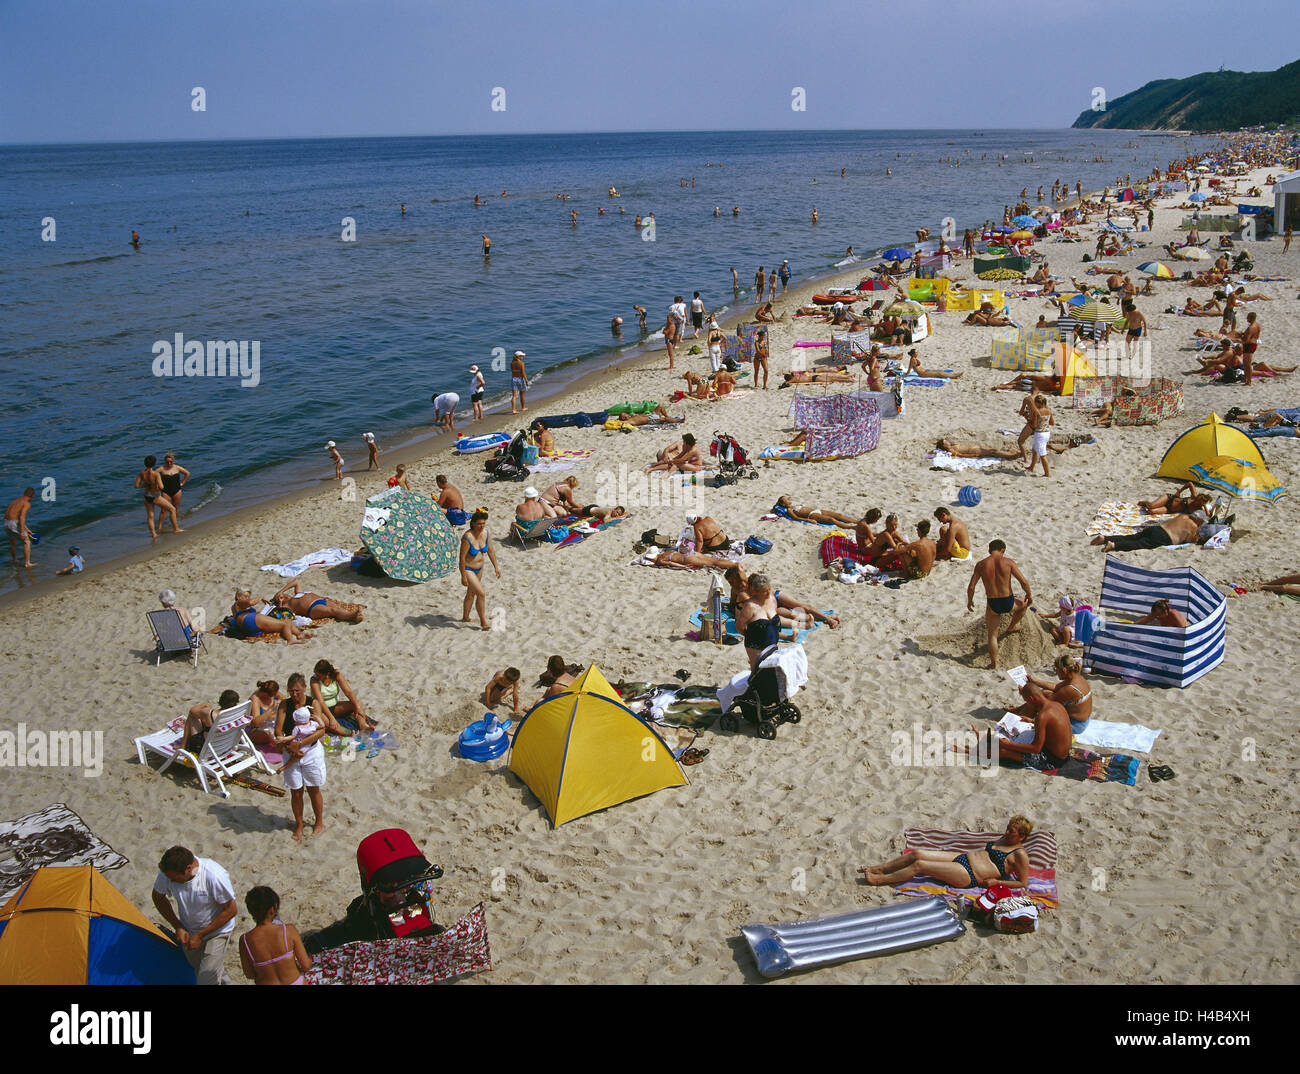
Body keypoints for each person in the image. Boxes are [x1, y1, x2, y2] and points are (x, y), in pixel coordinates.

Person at [862, 816, 1033, 890]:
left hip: (970, 876)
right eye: (1008, 829)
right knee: (917, 854)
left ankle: (880, 880)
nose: (1007, 833)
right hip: (963, 858)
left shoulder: (1020, 855)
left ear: (1022, 836)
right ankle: (879, 869)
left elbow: (1023, 883)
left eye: (1012, 832)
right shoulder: (1005, 838)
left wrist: (996, 882)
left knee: (920, 865)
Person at [152, 846, 237, 985]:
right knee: (206, 971)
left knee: (205, 981)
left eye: (174, 879)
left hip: (217, 932)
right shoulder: (167, 874)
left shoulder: (213, 875)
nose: (170, 882)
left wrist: (200, 935)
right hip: (190, 931)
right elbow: (158, 897)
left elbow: (231, 910)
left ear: (188, 869)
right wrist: (178, 925)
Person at [967, 539, 1032, 668]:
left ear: (989, 550)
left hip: (993, 603)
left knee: (992, 635)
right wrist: (1029, 595)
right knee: (1024, 603)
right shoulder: (1008, 562)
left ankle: (993, 663)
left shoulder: (981, 565)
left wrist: (970, 600)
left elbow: (971, 587)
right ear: (1003, 550)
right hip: (1008, 601)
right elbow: (1023, 582)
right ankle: (1011, 626)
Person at [274, 705, 328, 841]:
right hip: (293, 751)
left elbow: (321, 730)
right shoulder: (285, 706)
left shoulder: (312, 705)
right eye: (292, 690)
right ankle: (299, 825)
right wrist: (288, 746)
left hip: (310, 753)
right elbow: (278, 731)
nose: (294, 693)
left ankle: (319, 822)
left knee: (313, 789)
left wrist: (298, 744)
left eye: (297, 690)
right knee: (296, 791)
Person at [239, 887, 311, 985]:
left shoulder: (245, 940)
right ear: (272, 909)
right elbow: (306, 965)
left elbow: (250, 974)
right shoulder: (288, 930)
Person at [459, 510, 500, 630]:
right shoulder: (467, 537)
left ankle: (465, 617)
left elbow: (491, 551)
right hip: (468, 569)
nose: (481, 526)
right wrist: (463, 576)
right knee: (481, 593)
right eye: (479, 524)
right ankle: (483, 622)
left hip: (480, 568)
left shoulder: (486, 533)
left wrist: (496, 567)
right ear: (473, 524)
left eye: (483, 523)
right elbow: (461, 557)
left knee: (471, 593)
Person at [734, 572, 783, 671]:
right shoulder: (750, 606)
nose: (769, 593)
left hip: (772, 642)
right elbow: (739, 626)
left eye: (769, 589)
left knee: (772, 671)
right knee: (757, 671)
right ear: (756, 591)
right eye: (765, 591)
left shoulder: (772, 599)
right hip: (755, 644)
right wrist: (750, 634)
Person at [310, 660, 375, 732]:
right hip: (322, 710)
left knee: (358, 703)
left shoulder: (336, 675)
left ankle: (363, 726)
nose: (316, 676)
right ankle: (347, 733)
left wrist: (357, 707)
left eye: (319, 675)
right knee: (326, 723)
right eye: (315, 674)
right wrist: (332, 719)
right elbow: (321, 701)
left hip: (335, 707)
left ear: (327, 674)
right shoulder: (314, 680)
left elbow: (348, 692)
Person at [230, 590, 313, 643]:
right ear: (238, 596)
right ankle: (290, 640)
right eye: (245, 596)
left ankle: (299, 634)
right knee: (284, 625)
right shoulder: (238, 603)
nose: (247, 598)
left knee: (287, 621)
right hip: (251, 621)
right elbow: (250, 603)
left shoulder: (237, 607)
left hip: (251, 622)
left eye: (248, 596)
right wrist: (261, 598)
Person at [1090, 513, 1203, 552]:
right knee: (1140, 544)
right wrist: (1195, 538)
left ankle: (1104, 538)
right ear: (1198, 519)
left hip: (1157, 528)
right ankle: (1114, 545)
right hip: (1165, 537)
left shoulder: (1182, 516)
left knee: (1132, 537)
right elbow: (1188, 540)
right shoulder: (1194, 526)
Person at [273, 578, 365, 623]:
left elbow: (296, 581)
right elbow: (283, 615)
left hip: (320, 600)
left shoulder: (297, 593)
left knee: (338, 608)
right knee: (333, 611)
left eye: (283, 594)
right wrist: (280, 603)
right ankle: (352, 614)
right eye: (280, 596)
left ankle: (354, 617)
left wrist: (281, 590)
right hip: (312, 609)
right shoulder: (287, 606)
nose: (283, 595)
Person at [135, 456, 184, 535]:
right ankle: (176, 529)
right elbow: (161, 487)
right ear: (154, 464)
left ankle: (154, 534)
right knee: (172, 509)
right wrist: (156, 484)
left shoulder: (141, 473)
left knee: (150, 516)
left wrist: (145, 485)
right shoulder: (156, 473)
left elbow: (136, 485)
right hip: (155, 496)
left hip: (147, 496)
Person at [184, 689, 242, 753]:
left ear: (221, 700)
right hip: (225, 744)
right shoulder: (236, 714)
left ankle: (183, 745)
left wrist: (204, 705)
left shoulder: (210, 713)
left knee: (192, 717)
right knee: (207, 724)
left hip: (205, 747)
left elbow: (192, 711)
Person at [775, 495, 859, 528]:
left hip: (817, 510)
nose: (789, 499)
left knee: (839, 515)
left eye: (789, 498)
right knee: (832, 520)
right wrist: (808, 520)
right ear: (783, 504)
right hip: (812, 515)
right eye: (787, 499)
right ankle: (851, 527)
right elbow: (796, 518)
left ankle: (858, 522)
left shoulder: (794, 505)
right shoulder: (789, 510)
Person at [1138, 481, 1211, 517]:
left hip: (1169, 509)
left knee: (1151, 511)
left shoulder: (1198, 509)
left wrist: (1204, 506)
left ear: (1201, 503)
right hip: (1169, 499)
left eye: (1198, 501)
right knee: (1151, 505)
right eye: (1197, 499)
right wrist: (1180, 491)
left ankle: (1147, 505)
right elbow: (1190, 483)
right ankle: (1145, 502)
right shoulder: (1194, 496)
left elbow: (1208, 515)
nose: (1196, 501)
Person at [5, 487, 37, 568]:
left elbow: (14, 515)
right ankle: (27, 563)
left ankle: (14, 560)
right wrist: (22, 532)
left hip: (6, 522)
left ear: (24, 493)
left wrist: (27, 529)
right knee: (26, 542)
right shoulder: (27, 503)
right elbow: (21, 517)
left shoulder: (16, 501)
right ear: (32, 496)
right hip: (14, 523)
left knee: (13, 542)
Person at [1027, 394, 1054, 477]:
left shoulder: (1037, 412)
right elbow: (1052, 423)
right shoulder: (1048, 411)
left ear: (1038, 403)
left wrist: (1028, 419)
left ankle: (1047, 473)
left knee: (1043, 455)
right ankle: (1031, 467)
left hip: (1040, 434)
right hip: (1047, 432)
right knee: (1034, 450)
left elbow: (1034, 425)